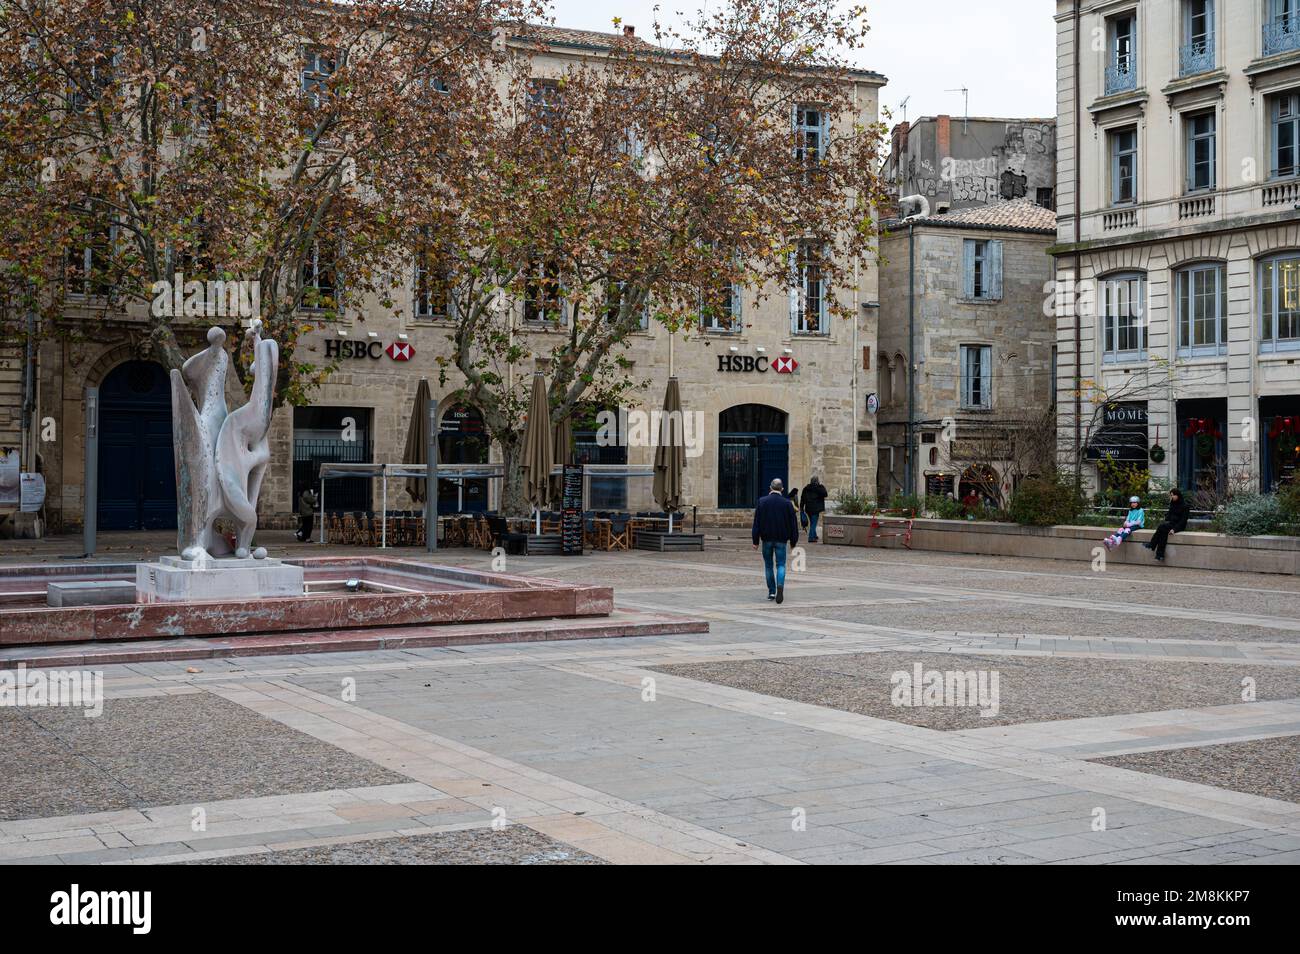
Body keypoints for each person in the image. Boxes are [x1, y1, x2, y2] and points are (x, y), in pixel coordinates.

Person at [752, 478, 799, 604]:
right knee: (781, 565)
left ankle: (772, 592)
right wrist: (793, 541)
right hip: (781, 539)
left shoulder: (762, 502)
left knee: (768, 565)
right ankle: (780, 586)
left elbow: (756, 523)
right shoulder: (787, 504)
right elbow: (793, 525)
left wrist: (755, 540)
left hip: (766, 538)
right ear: (782, 489)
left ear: (770, 488)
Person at [1143, 489, 1190, 562]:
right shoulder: (1173, 503)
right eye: (1171, 495)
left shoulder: (1185, 506)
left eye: (1174, 495)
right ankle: (1159, 555)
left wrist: (1174, 529)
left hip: (1179, 526)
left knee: (1161, 527)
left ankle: (1152, 544)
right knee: (1163, 532)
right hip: (1171, 524)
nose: (1172, 497)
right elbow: (1169, 516)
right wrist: (1168, 516)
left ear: (1178, 495)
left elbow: (1183, 521)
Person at [800, 475, 829, 542]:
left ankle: (814, 536)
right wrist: (820, 486)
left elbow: (802, 498)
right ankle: (811, 538)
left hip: (808, 508)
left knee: (812, 522)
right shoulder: (819, 488)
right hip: (815, 509)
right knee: (814, 524)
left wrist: (801, 507)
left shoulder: (806, 488)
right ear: (817, 481)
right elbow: (825, 494)